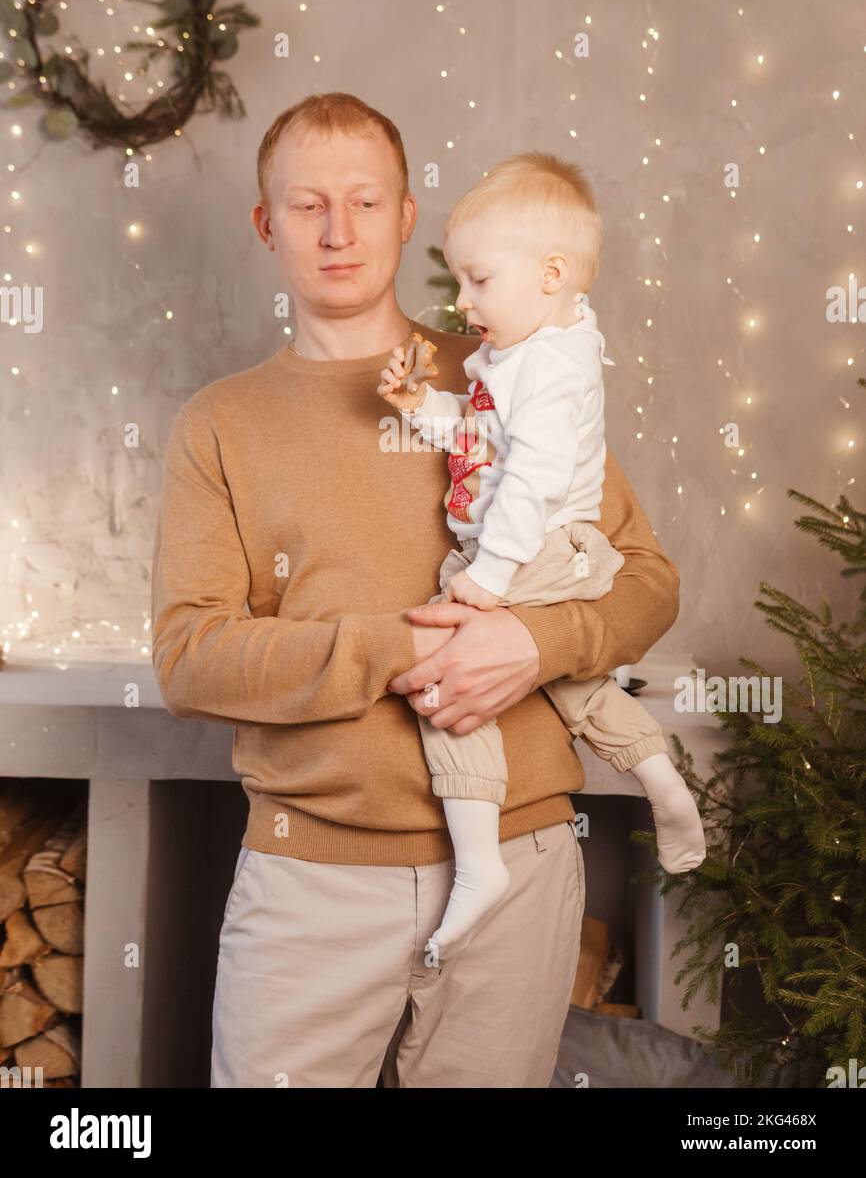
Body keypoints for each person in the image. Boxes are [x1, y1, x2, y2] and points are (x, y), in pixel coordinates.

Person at [150, 91, 680, 1089]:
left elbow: (645, 582)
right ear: (267, 225)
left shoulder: (507, 367)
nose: (338, 230)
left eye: (364, 200)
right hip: (310, 878)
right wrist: (403, 648)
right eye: (306, 205)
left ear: (405, 214)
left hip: (517, 869)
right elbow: (188, 658)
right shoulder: (220, 423)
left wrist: (536, 643)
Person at [376, 152, 705, 961]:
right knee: (578, 688)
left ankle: (479, 862)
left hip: (533, 553)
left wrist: (487, 581)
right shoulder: (518, 355)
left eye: (479, 280)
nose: (461, 301)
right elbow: (481, 441)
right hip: (534, 555)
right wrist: (424, 405)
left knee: (447, 682)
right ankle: (661, 779)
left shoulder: (556, 370)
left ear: (552, 273)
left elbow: (526, 481)